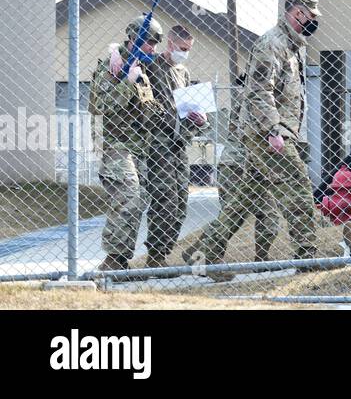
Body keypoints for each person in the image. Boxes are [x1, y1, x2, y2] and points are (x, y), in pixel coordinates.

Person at [199, 0, 321, 269]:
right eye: (311, 15)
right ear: (298, 13)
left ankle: (208, 249)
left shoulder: (292, 45)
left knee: (245, 198)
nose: (313, 21)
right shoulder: (272, 43)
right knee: (298, 188)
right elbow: (258, 91)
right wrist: (272, 130)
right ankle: (308, 257)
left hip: (272, 132)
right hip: (268, 135)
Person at [89, 14, 170, 272]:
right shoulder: (112, 66)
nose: (153, 48)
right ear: (133, 38)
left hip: (138, 148)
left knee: (138, 202)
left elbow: (148, 111)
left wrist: (162, 109)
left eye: (156, 43)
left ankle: (120, 262)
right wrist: (127, 82)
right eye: (149, 42)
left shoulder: (141, 69)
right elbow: (99, 106)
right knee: (128, 196)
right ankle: (111, 260)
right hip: (114, 145)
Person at [181, 67, 278, 267]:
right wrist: (203, 122)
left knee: (269, 216)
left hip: (258, 169)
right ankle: (206, 256)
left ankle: (261, 260)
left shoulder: (269, 108)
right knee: (232, 218)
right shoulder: (241, 109)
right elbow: (214, 125)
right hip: (234, 168)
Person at [136, 24, 208, 268]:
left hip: (179, 142)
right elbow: (129, 55)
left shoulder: (183, 72)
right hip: (158, 141)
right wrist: (115, 51)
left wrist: (198, 118)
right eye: (181, 48)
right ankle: (155, 255)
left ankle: (164, 252)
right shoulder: (152, 64)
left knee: (180, 201)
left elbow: (187, 106)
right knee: (164, 198)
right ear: (169, 43)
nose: (184, 53)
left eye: (188, 49)